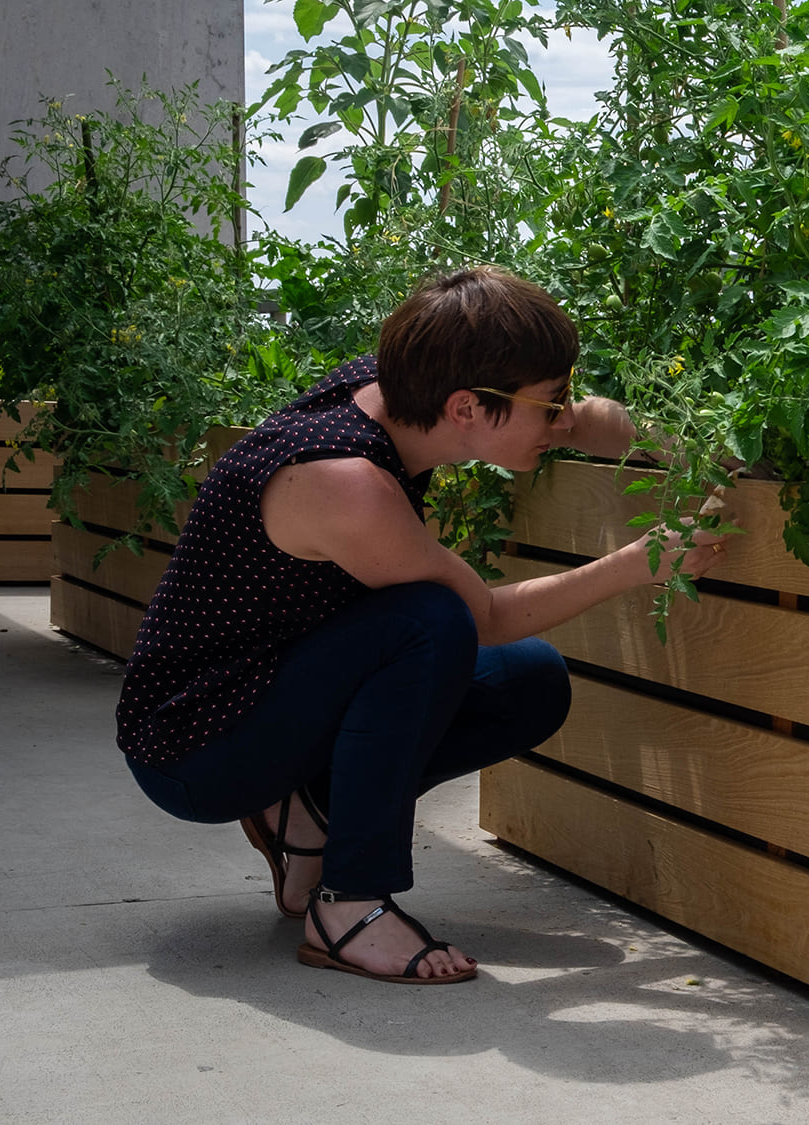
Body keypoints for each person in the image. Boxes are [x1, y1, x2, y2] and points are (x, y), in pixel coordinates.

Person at [115, 265, 728, 985]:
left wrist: (698, 454)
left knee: (529, 681)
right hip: (195, 746)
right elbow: (487, 615)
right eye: (549, 399)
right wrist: (642, 561)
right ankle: (347, 907)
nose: (563, 413)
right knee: (431, 623)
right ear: (467, 407)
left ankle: (306, 813)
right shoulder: (347, 483)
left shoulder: (406, 389)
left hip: (271, 685)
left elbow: (582, 419)